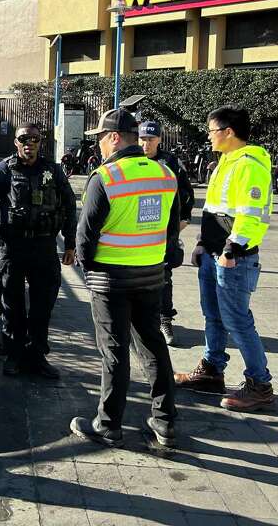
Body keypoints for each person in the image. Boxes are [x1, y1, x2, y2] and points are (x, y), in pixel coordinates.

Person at [69, 109, 180, 448]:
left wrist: (88, 271)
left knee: (114, 351)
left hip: (110, 279)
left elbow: (84, 236)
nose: (99, 146)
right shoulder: (165, 174)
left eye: (101, 138)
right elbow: (171, 230)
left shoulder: (106, 176)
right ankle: (165, 422)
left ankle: (108, 425)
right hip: (151, 275)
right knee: (154, 347)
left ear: (114, 138)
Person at [175, 105, 275, 412]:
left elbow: (251, 213)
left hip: (234, 258)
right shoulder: (226, 162)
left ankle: (260, 384)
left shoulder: (250, 164)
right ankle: (212, 369)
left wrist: (232, 249)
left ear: (228, 132)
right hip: (214, 255)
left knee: (238, 321)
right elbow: (215, 210)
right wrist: (204, 243)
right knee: (213, 315)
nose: (209, 137)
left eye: (212, 131)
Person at [0, 123, 77, 379]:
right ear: (16, 142)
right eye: (24, 138)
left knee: (43, 305)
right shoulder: (2, 171)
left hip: (44, 246)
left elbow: (68, 204)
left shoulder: (53, 171)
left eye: (34, 139)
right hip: (11, 247)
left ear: (40, 142)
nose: (29, 143)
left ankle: (36, 356)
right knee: (12, 305)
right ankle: (15, 355)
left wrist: (70, 244)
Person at [139, 121, 195, 346]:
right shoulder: (131, 160)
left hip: (163, 232)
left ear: (159, 140)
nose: (146, 143)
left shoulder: (170, 163)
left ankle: (164, 319)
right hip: (136, 231)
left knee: (163, 277)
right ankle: (143, 320)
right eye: (143, 139)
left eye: (151, 139)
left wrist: (180, 223)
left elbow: (186, 195)